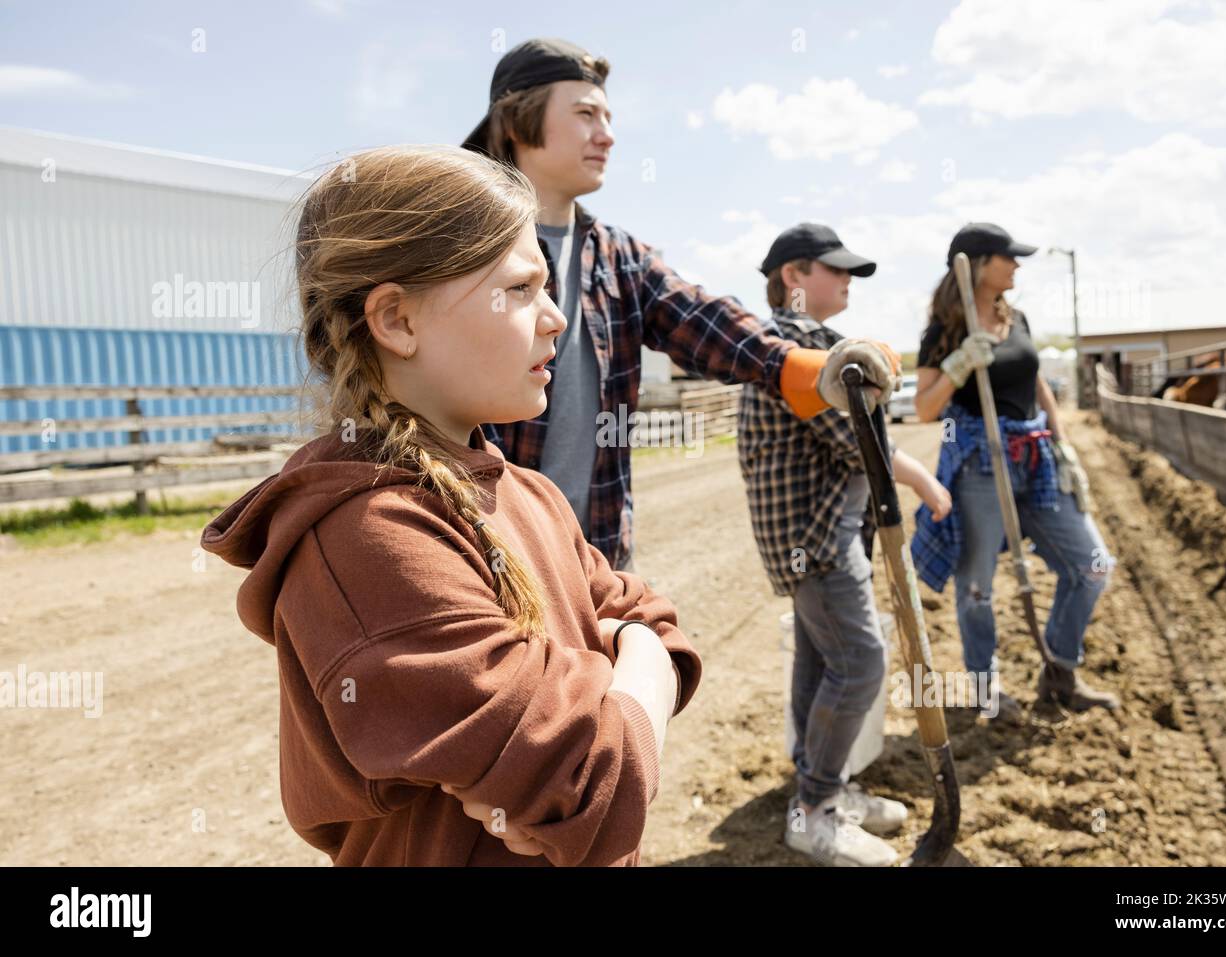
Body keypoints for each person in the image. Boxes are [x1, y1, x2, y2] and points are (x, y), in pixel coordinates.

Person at [200, 146, 703, 865]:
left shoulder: (529, 493)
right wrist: (626, 685)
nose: (557, 318)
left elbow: (656, 624)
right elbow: (595, 775)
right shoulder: (368, 535)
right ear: (398, 319)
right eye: (521, 289)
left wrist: (642, 662)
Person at [462, 37, 900, 572]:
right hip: (484, 551)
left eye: (609, 117)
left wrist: (800, 368)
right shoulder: (459, 246)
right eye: (585, 114)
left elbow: (702, 318)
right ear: (515, 122)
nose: (608, 135)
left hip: (596, 559)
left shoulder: (617, 256)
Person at [739, 224, 952, 866]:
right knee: (859, 662)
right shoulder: (802, 347)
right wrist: (926, 483)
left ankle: (822, 791)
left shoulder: (794, 345)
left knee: (820, 663)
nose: (848, 281)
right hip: (819, 536)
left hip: (815, 535)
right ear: (795, 277)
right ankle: (817, 808)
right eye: (836, 270)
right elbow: (858, 440)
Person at [911, 223, 1119, 718]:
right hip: (980, 464)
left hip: (1035, 458)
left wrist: (1064, 446)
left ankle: (1060, 674)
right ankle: (988, 693)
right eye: (1010, 258)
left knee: (1092, 566)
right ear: (980, 264)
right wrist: (958, 366)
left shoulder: (1017, 319)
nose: (1019, 266)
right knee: (978, 587)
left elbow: (1040, 388)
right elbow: (923, 409)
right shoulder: (945, 331)